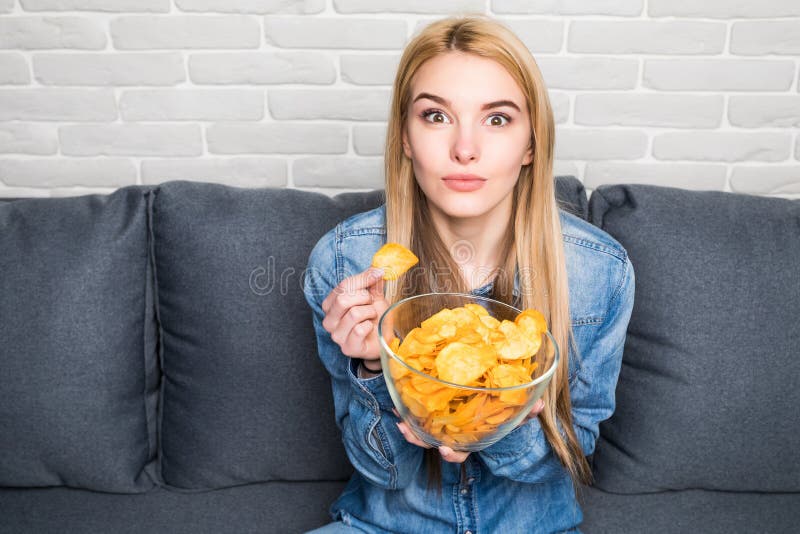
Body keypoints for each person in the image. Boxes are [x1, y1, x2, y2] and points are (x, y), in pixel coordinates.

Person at [302, 15, 635, 534]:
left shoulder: (599, 271)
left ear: (531, 145)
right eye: (436, 116)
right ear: (406, 138)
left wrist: (508, 424)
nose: (464, 148)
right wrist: (373, 370)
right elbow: (380, 471)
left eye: (497, 119)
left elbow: (573, 457)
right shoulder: (346, 261)